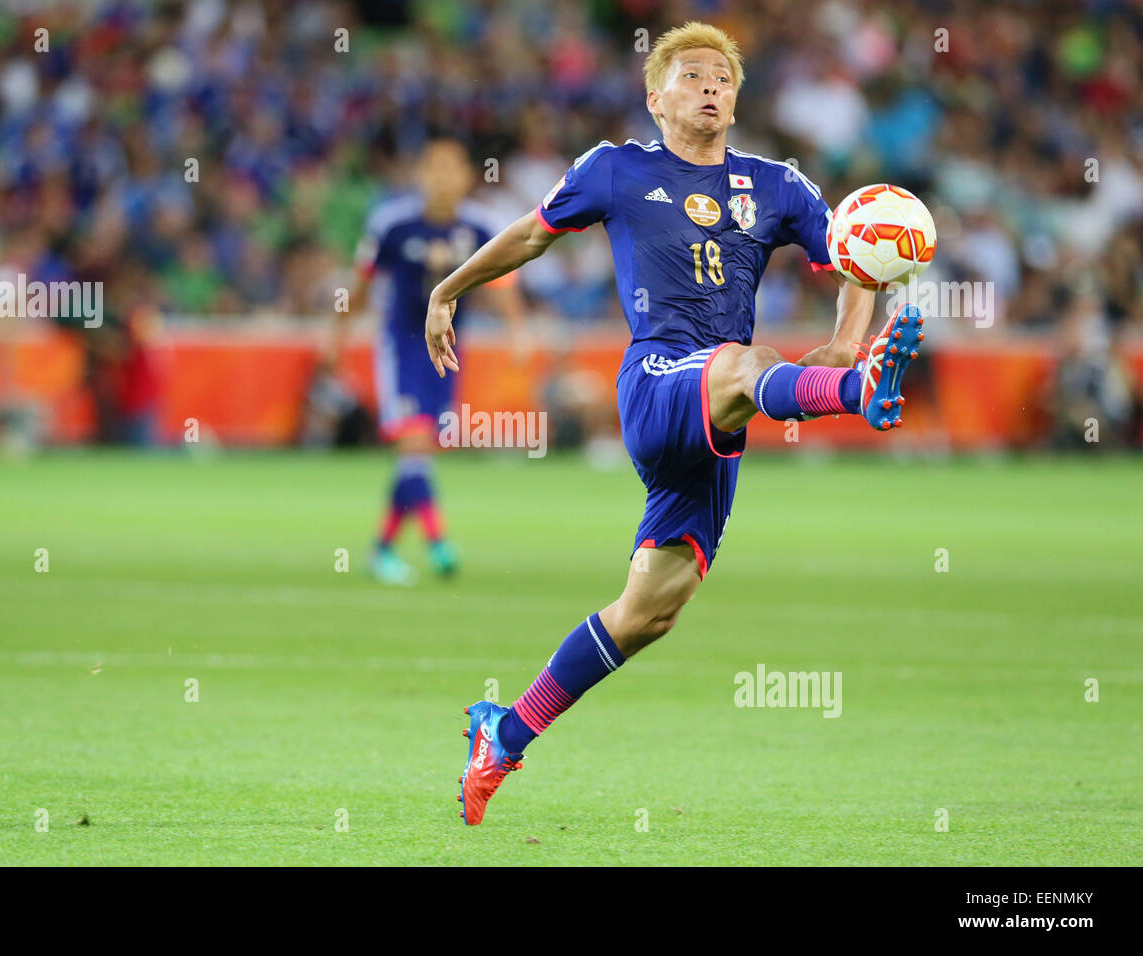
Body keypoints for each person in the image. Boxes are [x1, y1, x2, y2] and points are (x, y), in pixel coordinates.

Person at [424, 22, 926, 824]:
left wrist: (844, 339)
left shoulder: (778, 184)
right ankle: (861, 398)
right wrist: (448, 289)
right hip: (660, 380)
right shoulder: (614, 169)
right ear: (657, 98)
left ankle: (505, 731)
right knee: (744, 359)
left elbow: (855, 258)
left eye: (723, 78)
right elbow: (528, 236)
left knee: (650, 609)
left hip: (720, 423)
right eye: (692, 76)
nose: (710, 88)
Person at [328, 139, 524, 585]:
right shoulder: (393, 225)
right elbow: (358, 286)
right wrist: (336, 337)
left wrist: (517, 334)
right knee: (414, 443)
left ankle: (381, 550)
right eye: (433, 168)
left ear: (466, 177)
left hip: (449, 351)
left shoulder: (479, 227)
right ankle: (438, 544)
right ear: (420, 174)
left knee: (416, 453)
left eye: (451, 169)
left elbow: (504, 283)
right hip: (401, 348)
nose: (442, 177)